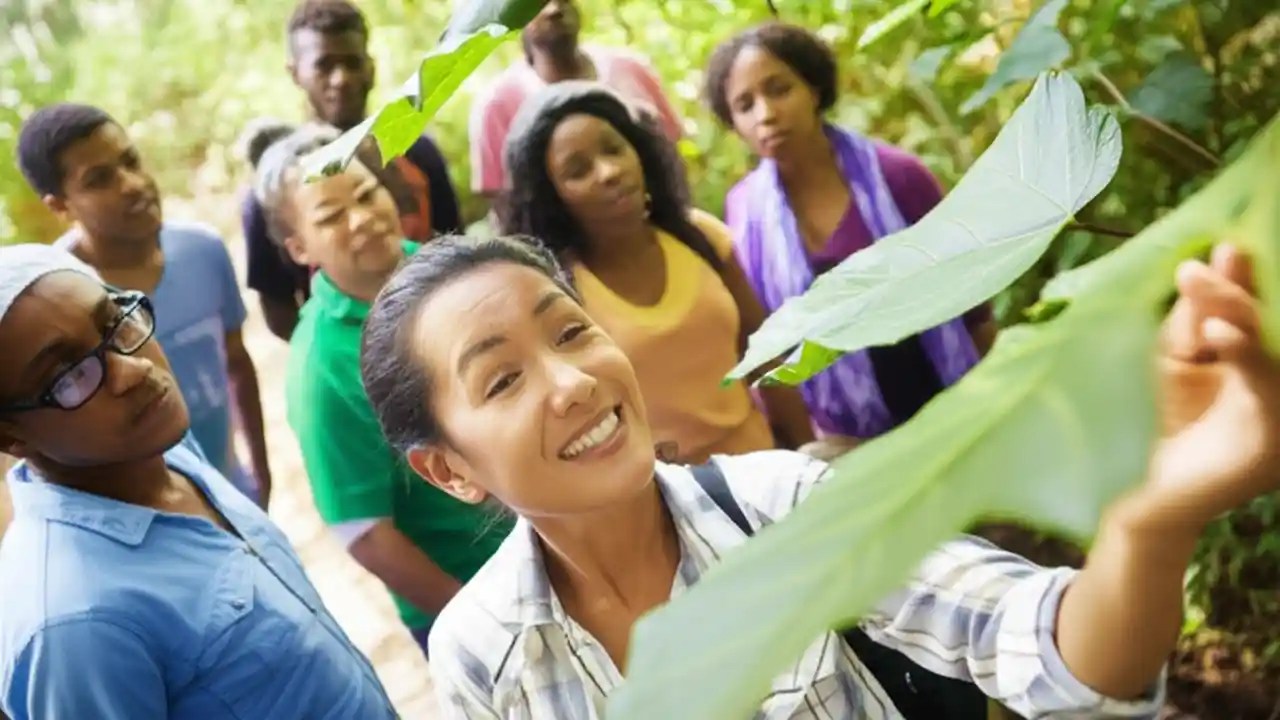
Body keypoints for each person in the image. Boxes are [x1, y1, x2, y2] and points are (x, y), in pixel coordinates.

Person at [360, 233, 1280, 718]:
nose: (570, 382)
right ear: (449, 470)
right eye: (503, 379)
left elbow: (1056, 658)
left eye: (571, 331)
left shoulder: (789, 507)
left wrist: (1148, 518)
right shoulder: (479, 652)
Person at [0, 244, 395, 719]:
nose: (132, 369)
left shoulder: (160, 451)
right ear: (11, 435)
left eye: (114, 322)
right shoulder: (75, 626)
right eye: (68, 375)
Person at [254, 125, 511, 655]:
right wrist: (484, 621)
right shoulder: (323, 366)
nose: (363, 219)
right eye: (331, 217)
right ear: (301, 247)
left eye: (367, 194)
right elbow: (365, 533)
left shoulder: (451, 268)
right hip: (478, 597)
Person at [708, 23, 999, 445]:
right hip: (846, 440)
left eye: (779, 89)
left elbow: (973, 306)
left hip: (953, 405)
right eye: (745, 104)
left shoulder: (898, 177)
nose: (765, 114)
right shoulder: (744, 213)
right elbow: (767, 346)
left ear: (814, 89)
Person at [499, 82, 817, 463]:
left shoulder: (699, 236)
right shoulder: (561, 293)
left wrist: (806, 453)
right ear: (553, 198)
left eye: (614, 149)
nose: (609, 172)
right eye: (578, 171)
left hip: (763, 470)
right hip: (671, 500)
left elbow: (766, 355)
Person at [16, 103, 271, 506]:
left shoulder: (203, 250)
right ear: (60, 206)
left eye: (130, 160)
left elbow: (236, 362)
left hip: (230, 489)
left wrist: (261, 474)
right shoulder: (57, 302)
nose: (132, 184)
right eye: (99, 180)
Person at [243, 0, 463, 341]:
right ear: (295, 73)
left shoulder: (419, 155)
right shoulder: (275, 192)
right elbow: (278, 308)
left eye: (352, 62)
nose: (341, 79)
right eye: (323, 65)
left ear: (371, 68)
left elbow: (456, 250)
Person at [469, 0, 682, 198]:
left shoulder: (630, 69)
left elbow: (672, 155)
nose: (554, 10)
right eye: (537, 5)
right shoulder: (499, 103)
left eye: (563, 0)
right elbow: (500, 197)